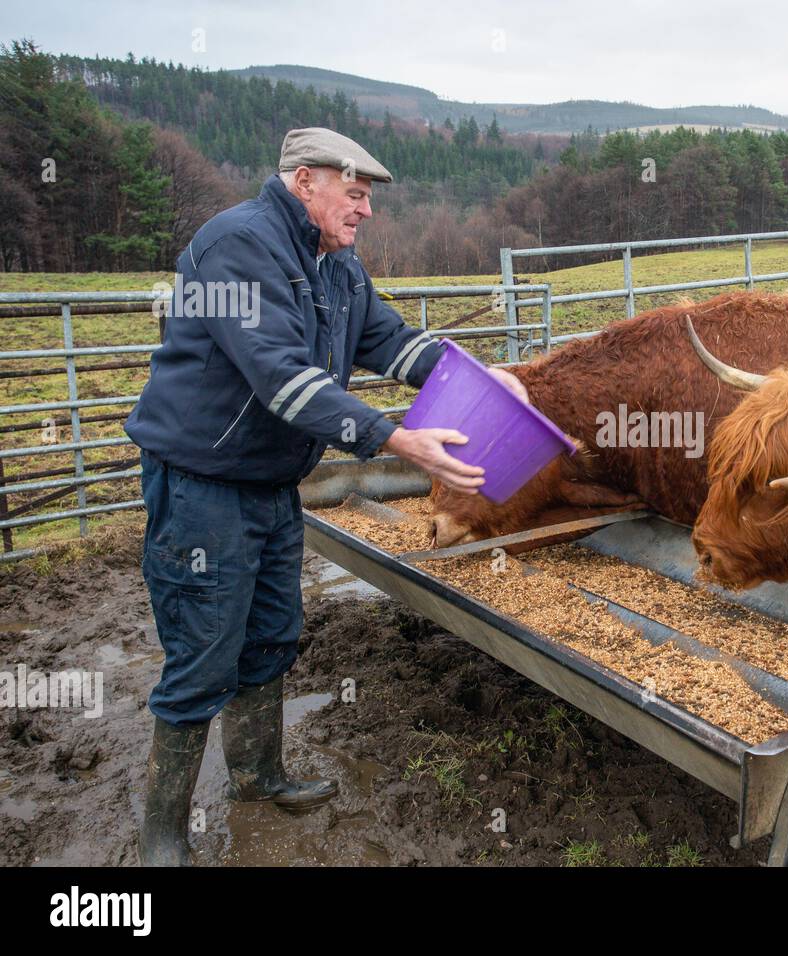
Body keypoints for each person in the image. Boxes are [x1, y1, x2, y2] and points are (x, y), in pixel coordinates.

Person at [124, 127, 526, 865]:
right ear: (305, 181)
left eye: (369, 197)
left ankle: (257, 775)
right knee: (204, 650)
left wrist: (474, 375)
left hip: (272, 482)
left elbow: (393, 343)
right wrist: (393, 438)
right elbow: (279, 377)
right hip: (202, 484)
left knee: (273, 632)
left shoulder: (337, 265)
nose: (366, 210)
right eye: (356, 193)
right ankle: (162, 836)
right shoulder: (237, 246)